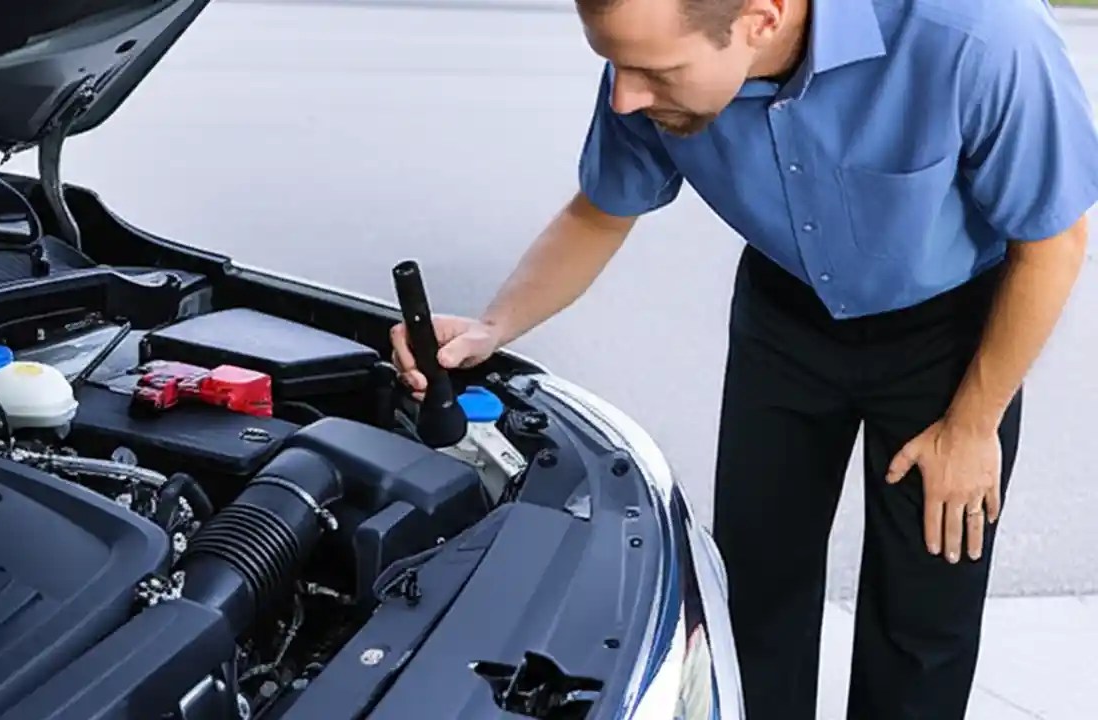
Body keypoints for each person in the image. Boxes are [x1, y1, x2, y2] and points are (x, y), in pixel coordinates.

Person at [389, 0, 1097, 717]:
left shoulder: (980, 36)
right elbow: (599, 211)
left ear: (763, 18)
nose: (626, 97)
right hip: (784, 318)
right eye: (617, 65)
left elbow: (1054, 242)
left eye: (656, 73)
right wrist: (492, 326)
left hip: (952, 345)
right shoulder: (655, 45)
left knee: (924, 623)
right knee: (754, 599)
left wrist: (973, 428)